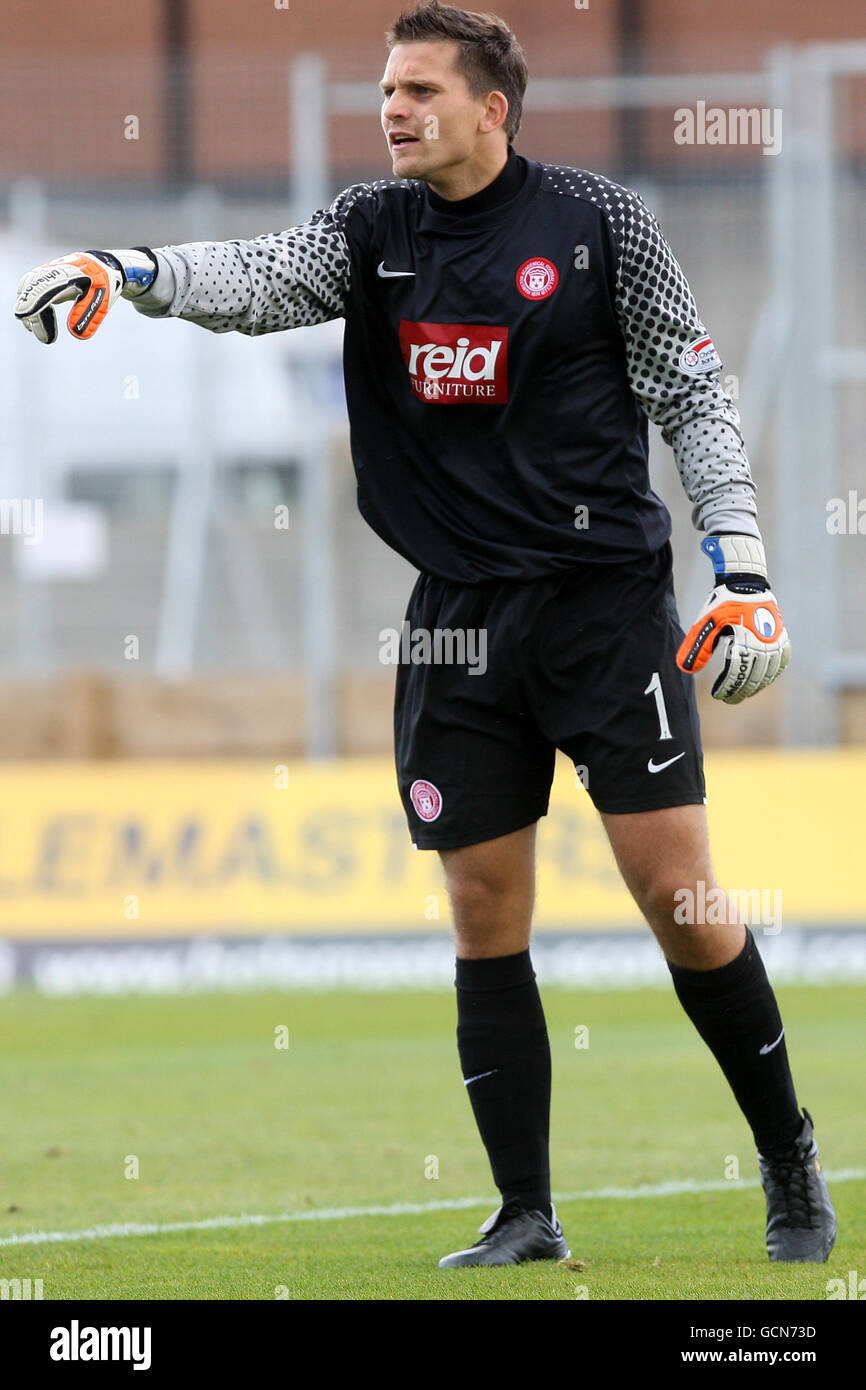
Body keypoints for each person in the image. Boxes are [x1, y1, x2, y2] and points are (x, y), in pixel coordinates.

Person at [14, 1, 836, 1271]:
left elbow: (692, 396)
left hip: (605, 606)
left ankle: (787, 1159)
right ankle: (524, 1214)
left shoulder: (603, 223)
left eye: (419, 90)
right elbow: (260, 276)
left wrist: (744, 565)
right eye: (384, 90)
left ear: (491, 107)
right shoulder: (370, 229)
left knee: (675, 893)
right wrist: (133, 273)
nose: (392, 109)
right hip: (455, 617)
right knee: (478, 903)